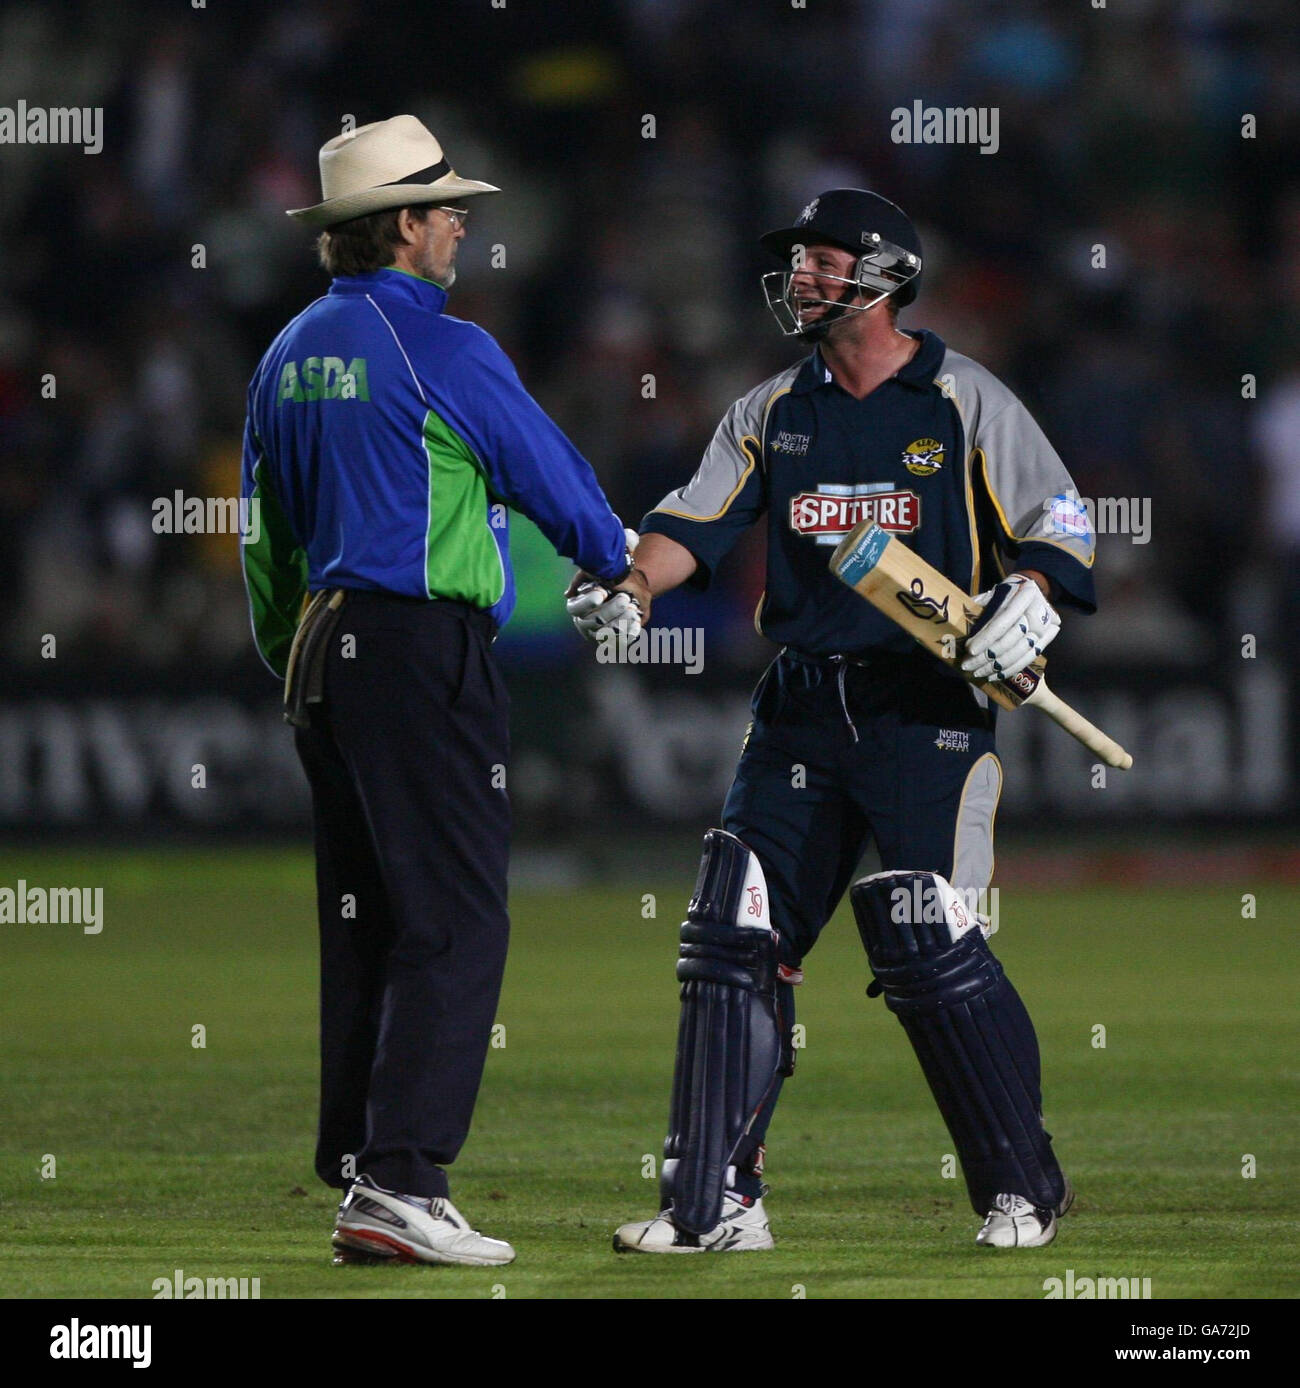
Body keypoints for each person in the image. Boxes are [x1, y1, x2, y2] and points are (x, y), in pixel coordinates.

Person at [571, 189, 1094, 1252]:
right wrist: (632, 587)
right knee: (734, 931)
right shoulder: (770, 408)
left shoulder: (962, 398)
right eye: (799, 262)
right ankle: (715, 1202)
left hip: (927, 707)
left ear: (887, 274)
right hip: (802, 705)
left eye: (822, 259)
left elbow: (1062, 521)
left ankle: (1020, 1187)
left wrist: (1029, 596)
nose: (803, 277)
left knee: (929, 937)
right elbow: (692, 519)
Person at [240, 115, 649, 1267]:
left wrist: (296, 653)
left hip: (324, 651)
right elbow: (543, 468)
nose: (463, 222)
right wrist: (616, 561)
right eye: (445, 206)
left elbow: (264, 539)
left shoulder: (286, 352)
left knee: (368, 914)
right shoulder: (444, 346)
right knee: (457, 912)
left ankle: (368, 1164)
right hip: (419, 650)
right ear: (402, 226)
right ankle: (403, 1178)